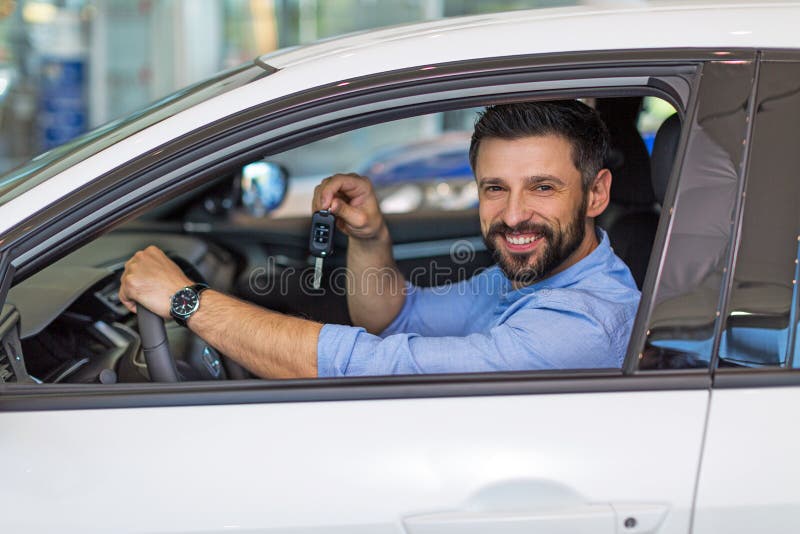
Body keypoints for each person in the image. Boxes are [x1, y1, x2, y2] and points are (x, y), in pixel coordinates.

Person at [119, 100, 640, 378]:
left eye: (542, 188)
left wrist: (187, 301)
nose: (513, 215)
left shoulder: (582, 322)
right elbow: (395, 320)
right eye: (495, 189)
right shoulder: (536, 276)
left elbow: (371, 365)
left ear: (595, 194)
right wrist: (369, 235)